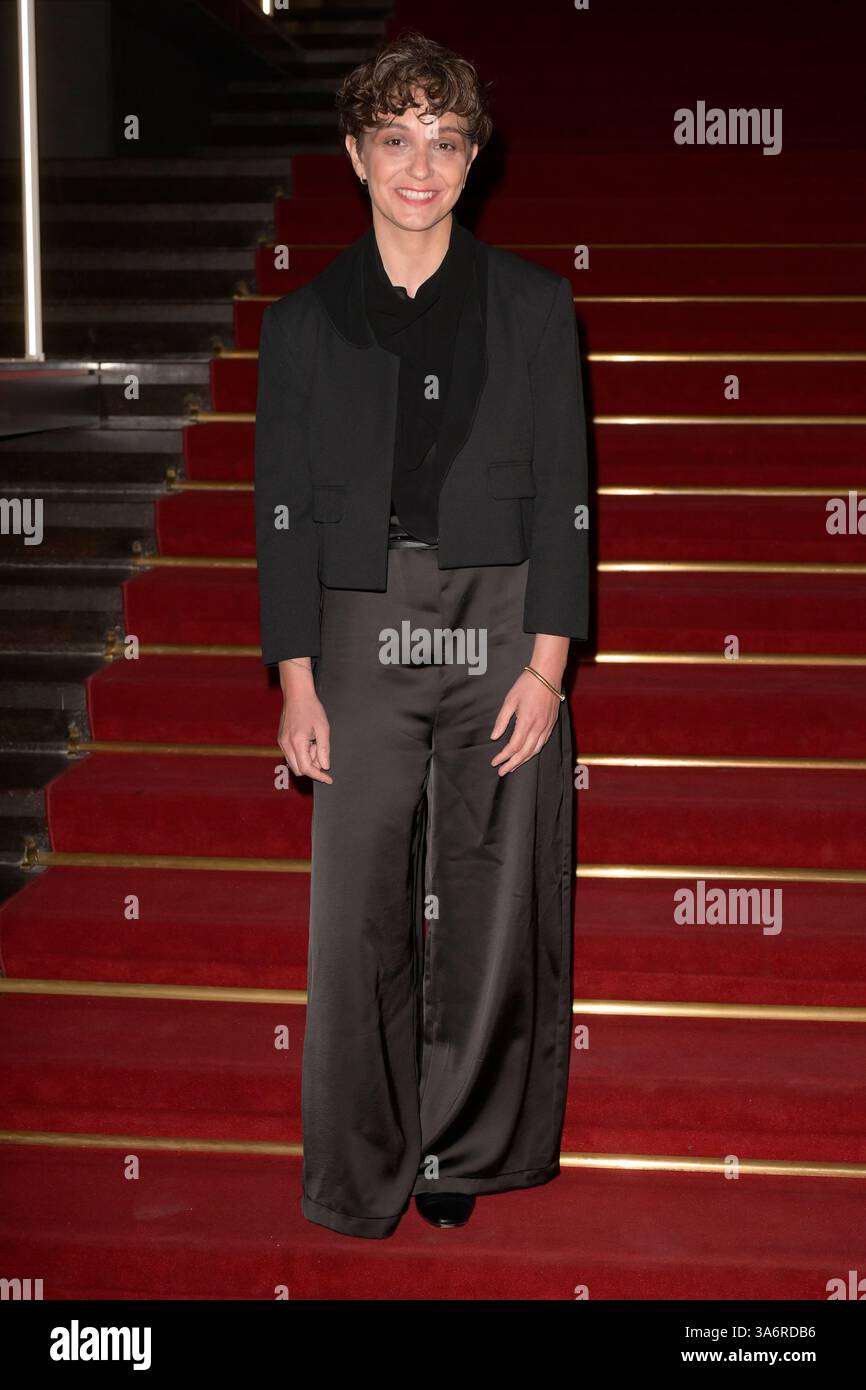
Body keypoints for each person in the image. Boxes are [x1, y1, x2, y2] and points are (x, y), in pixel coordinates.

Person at [254, 29, 590, 1239]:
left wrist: (548, 665)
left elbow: (564, 493)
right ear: (354, 153)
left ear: (471, 155)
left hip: (498, 614)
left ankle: (462, 1149)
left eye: (443, 139)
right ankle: (361, 1164)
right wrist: (295, 679)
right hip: (356, 621)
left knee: (495, 888)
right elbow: (281, 517)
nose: (419, 163)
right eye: (394, 137)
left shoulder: (536, 305)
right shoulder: (298, 328)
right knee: (356, 906)